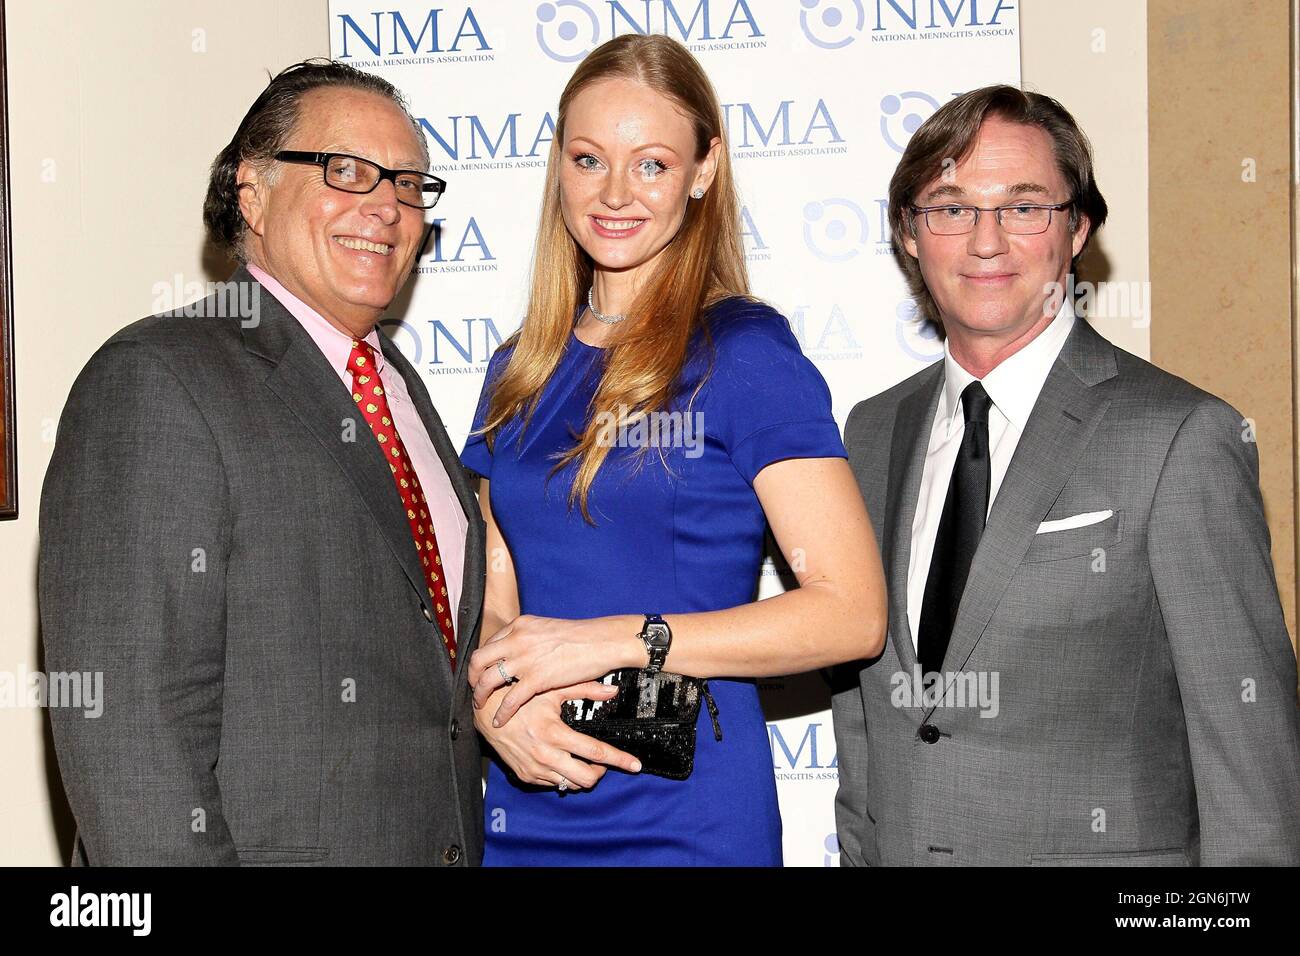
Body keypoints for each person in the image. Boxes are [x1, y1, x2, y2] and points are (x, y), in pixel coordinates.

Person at [832, 84, 1300, 866]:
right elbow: (864, 713)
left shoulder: (1180, 436)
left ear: (1077, 227)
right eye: (949, 207)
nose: (986, 241)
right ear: (910, 235)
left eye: (1023, 207)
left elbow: (1248, 752)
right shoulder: (872, 431)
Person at [39, 60, 485, 866]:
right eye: (347, 171)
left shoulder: (402, 392)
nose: (386, 204)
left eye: (411, 184)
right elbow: (130, 729)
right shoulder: (157, 378)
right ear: (251, 190)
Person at [459, 34, 886, 866]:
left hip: (683, 818)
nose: (615, 192)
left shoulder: (744, 353)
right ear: (557, 166)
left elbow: (853, 613)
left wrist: (621, 639)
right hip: (528, 798)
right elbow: (495, 590)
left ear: (703, 169)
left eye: (651, 163)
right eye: (588, 159)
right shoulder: (518, 367)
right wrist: (499, 706)